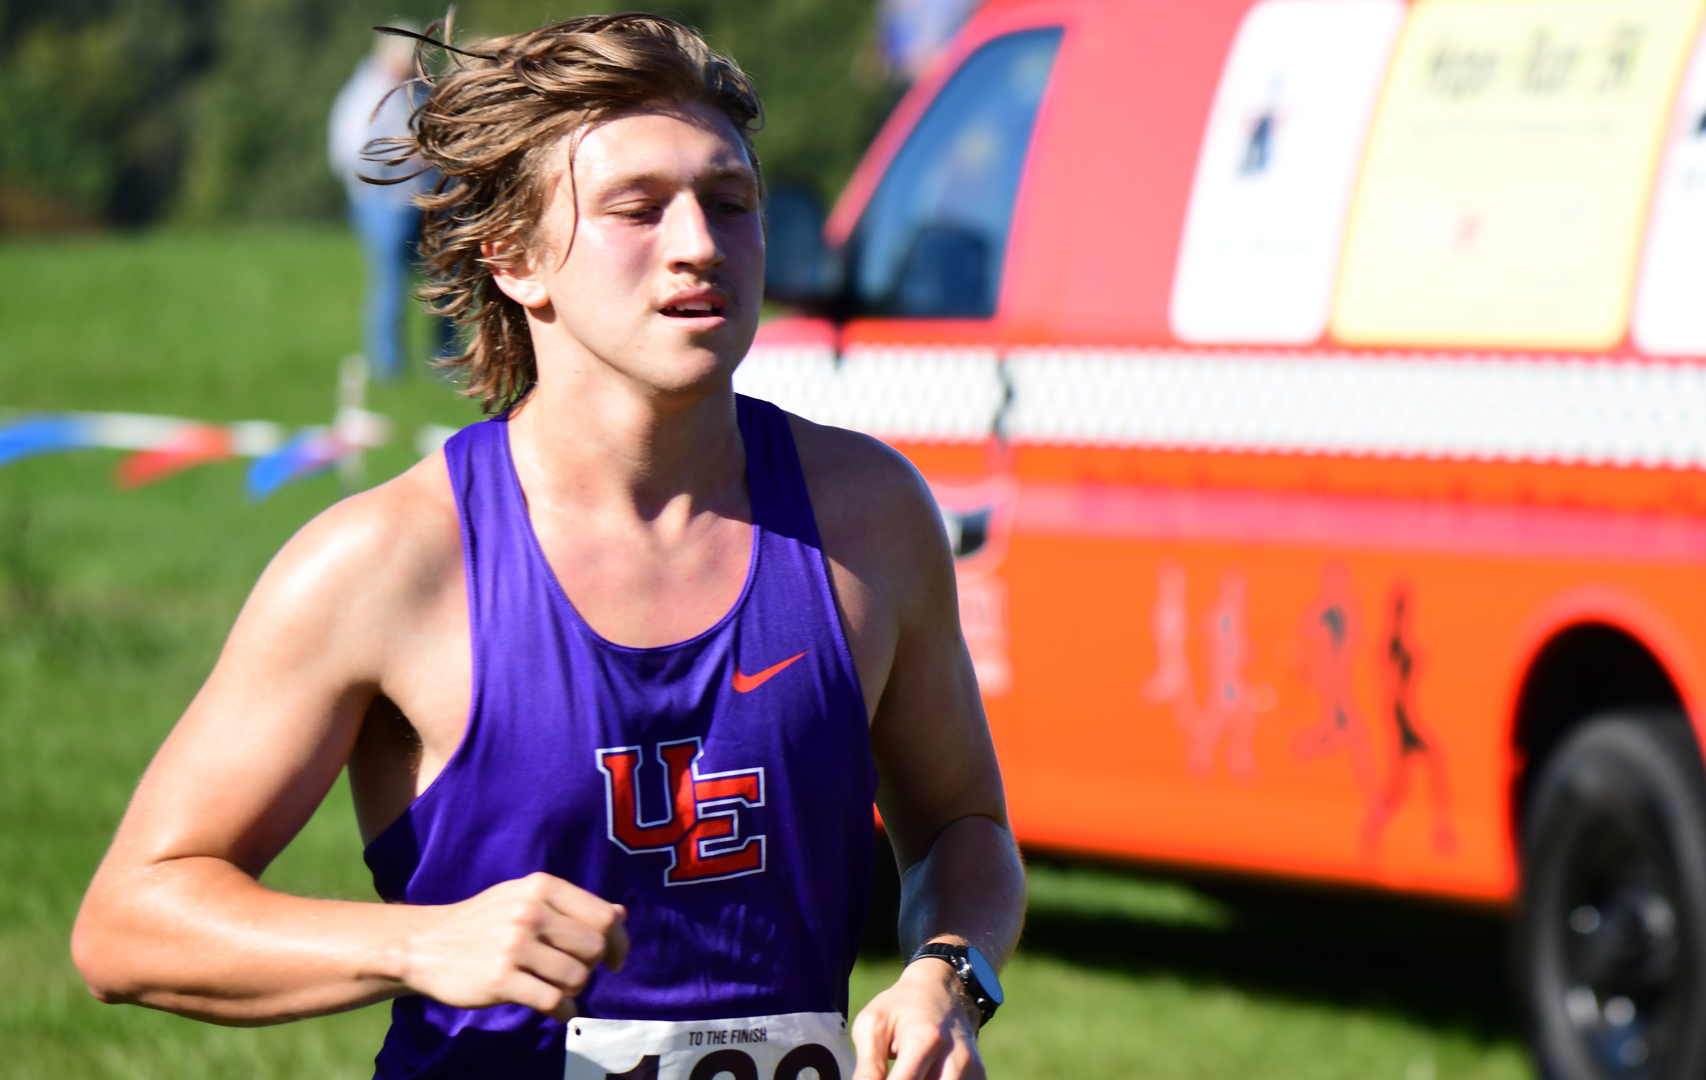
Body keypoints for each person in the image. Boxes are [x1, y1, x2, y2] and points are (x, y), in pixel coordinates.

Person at [72, 13, 1026, 1080]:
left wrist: (950, 973)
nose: (700, 244)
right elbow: (128, 922)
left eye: (729, 202)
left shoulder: (869, 517)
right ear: (518, 260)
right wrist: (421, 944)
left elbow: (961, 830)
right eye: (637, 208)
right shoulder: (387, 561)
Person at [329, 24, 439, 379]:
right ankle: (389, 369)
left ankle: (445, 362)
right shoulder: (363, 96)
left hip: (422, 200)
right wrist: (406, 157)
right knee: (391, 283)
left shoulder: (417, 92)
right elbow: (351, 154)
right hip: (379, 202)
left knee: (445, 279)